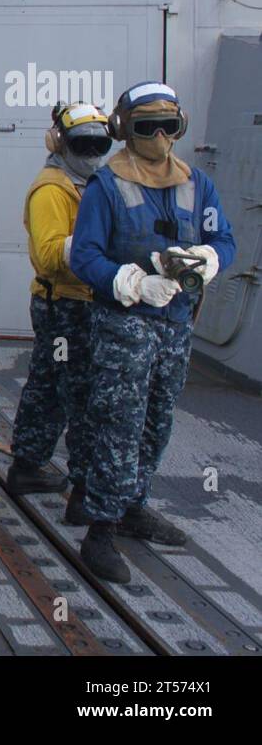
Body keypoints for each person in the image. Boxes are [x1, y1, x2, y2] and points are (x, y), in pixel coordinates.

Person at [70, 82, 235, 583]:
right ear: (126, 130)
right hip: (124, 324)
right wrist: (131, 281)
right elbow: (85, 256)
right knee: (118, 423)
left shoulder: (197, 185)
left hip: (175, 324)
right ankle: (99, 527)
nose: (160, 138)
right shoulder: (106, 187)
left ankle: (133, 505)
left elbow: (223, 238)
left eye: (170, 127)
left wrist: (207, 260)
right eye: (148, 128)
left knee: (157, 420)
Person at [7, 102, 111, 523]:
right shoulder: (53, 189)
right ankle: (84, 491)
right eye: (82, 145)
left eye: (98, 145)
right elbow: (49, 256)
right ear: (60, 143)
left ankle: (27, 466)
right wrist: (98, 251)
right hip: (66, 308)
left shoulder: (91, 183)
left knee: (48, 385)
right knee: (80, 393)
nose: (90, 153)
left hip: (74, 304)